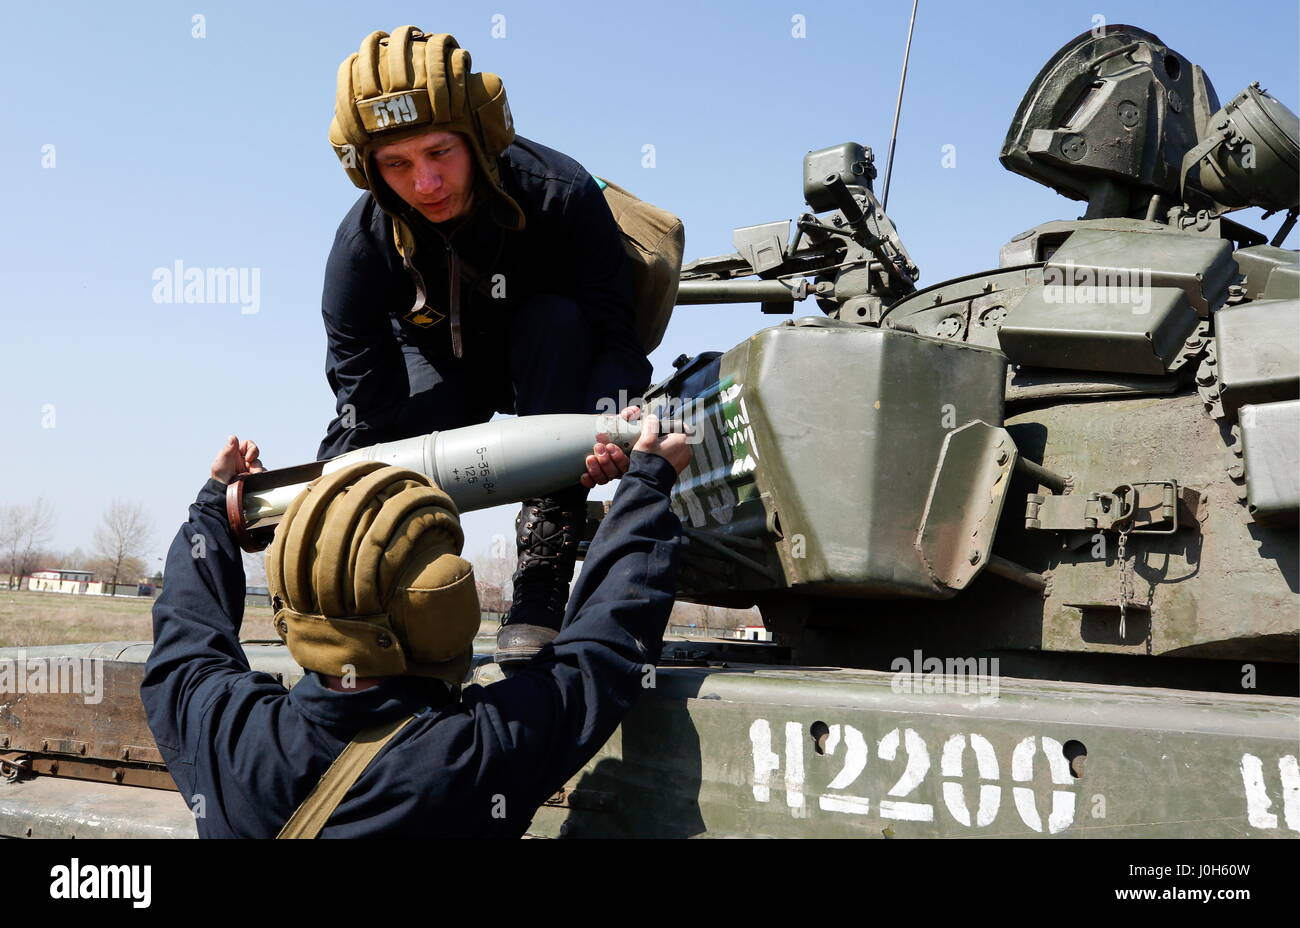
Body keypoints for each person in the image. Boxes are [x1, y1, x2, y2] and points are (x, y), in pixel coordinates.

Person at [140, 412, 690, 837]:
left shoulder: (224, 734)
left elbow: (188, 637)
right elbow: (601, 649)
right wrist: (646, 483)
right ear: (444, 610)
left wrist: (217, 506)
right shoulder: (471, 756)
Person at [317, 26, 653, 665]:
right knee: (372, 456)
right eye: (397, 163)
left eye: (440, 152)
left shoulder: (560, 194)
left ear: (479, 136)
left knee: (554, 324)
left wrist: (612, 422)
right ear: (369, 170)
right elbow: (360, 394)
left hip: (551, 362)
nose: (426, 182)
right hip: (440, 365)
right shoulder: (362, 249)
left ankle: (543, 570)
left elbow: (615, 334)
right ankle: (393, 584)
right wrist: (331, 498)